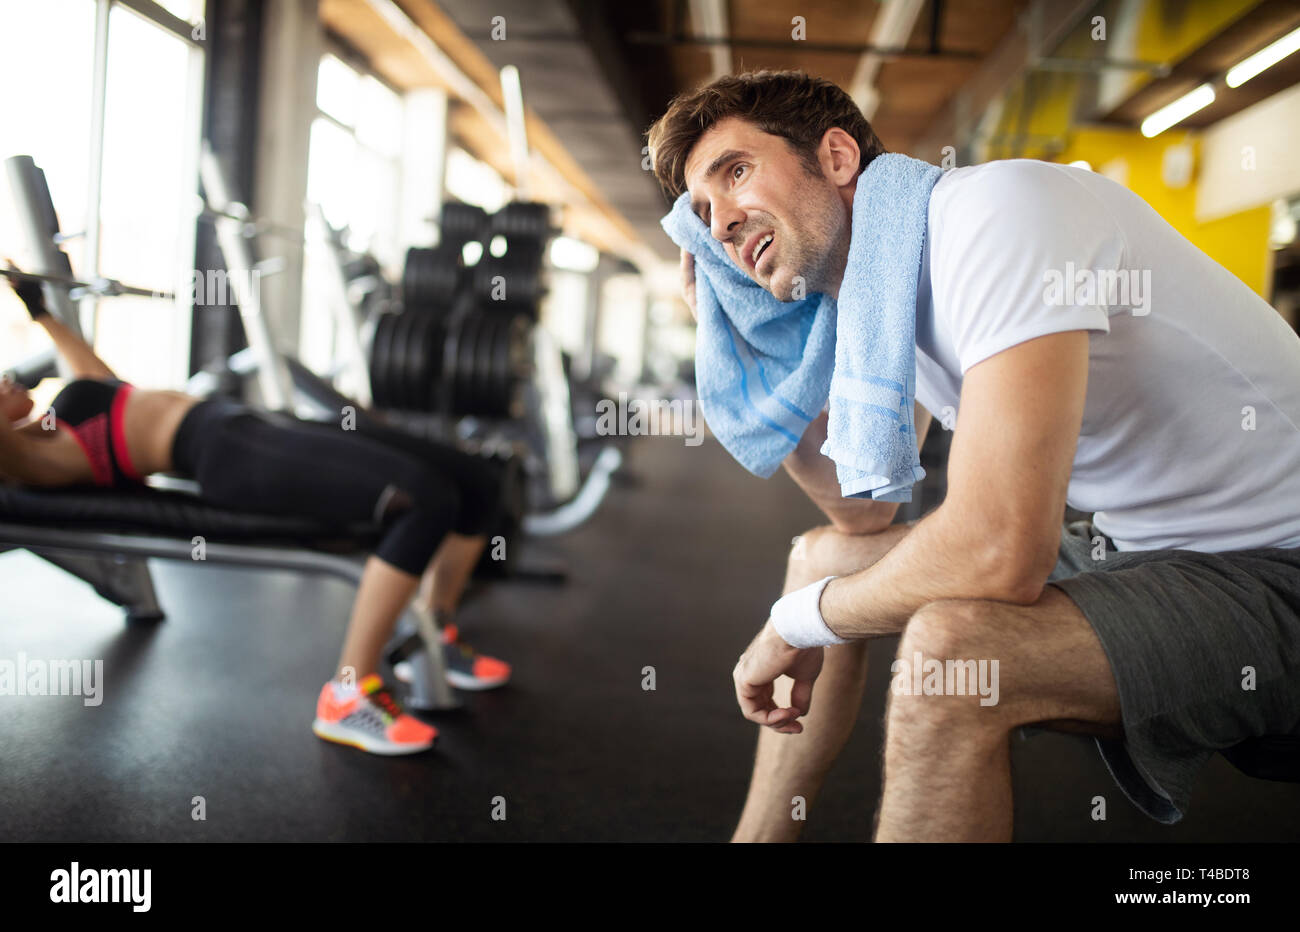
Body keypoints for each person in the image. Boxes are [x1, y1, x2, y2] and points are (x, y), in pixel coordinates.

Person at [647, 70, 1300, 841]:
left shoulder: (999, 214)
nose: (719, 223)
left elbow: (1001, 551)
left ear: (835, 156)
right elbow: (861, 509)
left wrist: (797, 624)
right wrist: (750, 364)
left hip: (1272, 562)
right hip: (1132, 545)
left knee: (947, 661)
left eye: (736, 170)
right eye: (702, 212)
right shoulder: (882, 294)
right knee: (821, 559)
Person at [0, 264, 511, 756]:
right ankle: (347, 694)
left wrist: (41, 313)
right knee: (423, 500)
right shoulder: (37, 460)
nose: (5, 379)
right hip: (228, 455)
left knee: (475, 481)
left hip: (245, 423)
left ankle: (434, 633)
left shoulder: (52, 425)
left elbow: (100, 379)